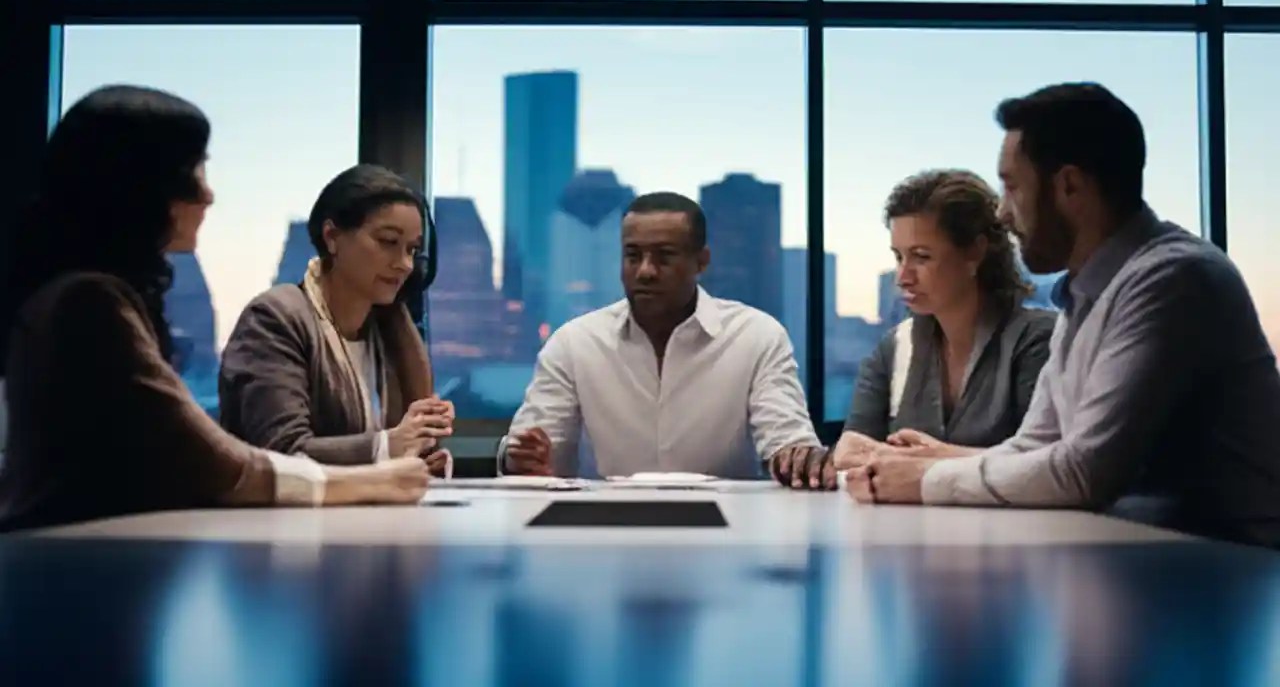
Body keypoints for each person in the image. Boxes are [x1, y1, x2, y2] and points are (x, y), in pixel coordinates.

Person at [848, 82, 1280, 547]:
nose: (1002, 212)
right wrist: (922, 469)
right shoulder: (1088, 292)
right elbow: (1036, 445)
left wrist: (925, 481)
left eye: (1012, 186)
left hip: (1232, 572)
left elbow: (1083, 470)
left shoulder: (1173, 280)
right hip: (1143, 560)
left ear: (1069, 186)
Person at [0, 85, 431, 532]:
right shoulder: (87, 303)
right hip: (69, 565)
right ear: (138, 184)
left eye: (411, 250)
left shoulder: (83, 295)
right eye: (194, 172)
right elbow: (211, 460)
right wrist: (368, 477)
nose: (208, 195)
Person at [500, 192, 828, 485]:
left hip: (726, 534)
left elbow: (786, 437)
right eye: (633, 256)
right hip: (603, 529)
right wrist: (520, 457)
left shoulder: (756, 336)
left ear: (701, 261)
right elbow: (530, 444)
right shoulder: (574, 343)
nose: (645, 271)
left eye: (664, 256)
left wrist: (796, 457)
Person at [219, 165, 454, 474]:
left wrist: (418, 457)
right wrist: (388, 447)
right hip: (279, 521)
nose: (405, 265)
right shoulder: (275, 318)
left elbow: (390, 454)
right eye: (387, 242)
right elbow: (283, 452)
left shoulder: (390, 333)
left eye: (412, 250)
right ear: (332, 237)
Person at [827, 170, 1054, 475]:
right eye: (898, 257)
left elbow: (1046, 465)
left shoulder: (1038, 341)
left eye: (921, 257)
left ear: (975, 251)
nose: (903, 278)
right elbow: (849, 453)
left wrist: (933, 458)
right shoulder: (895, 348)